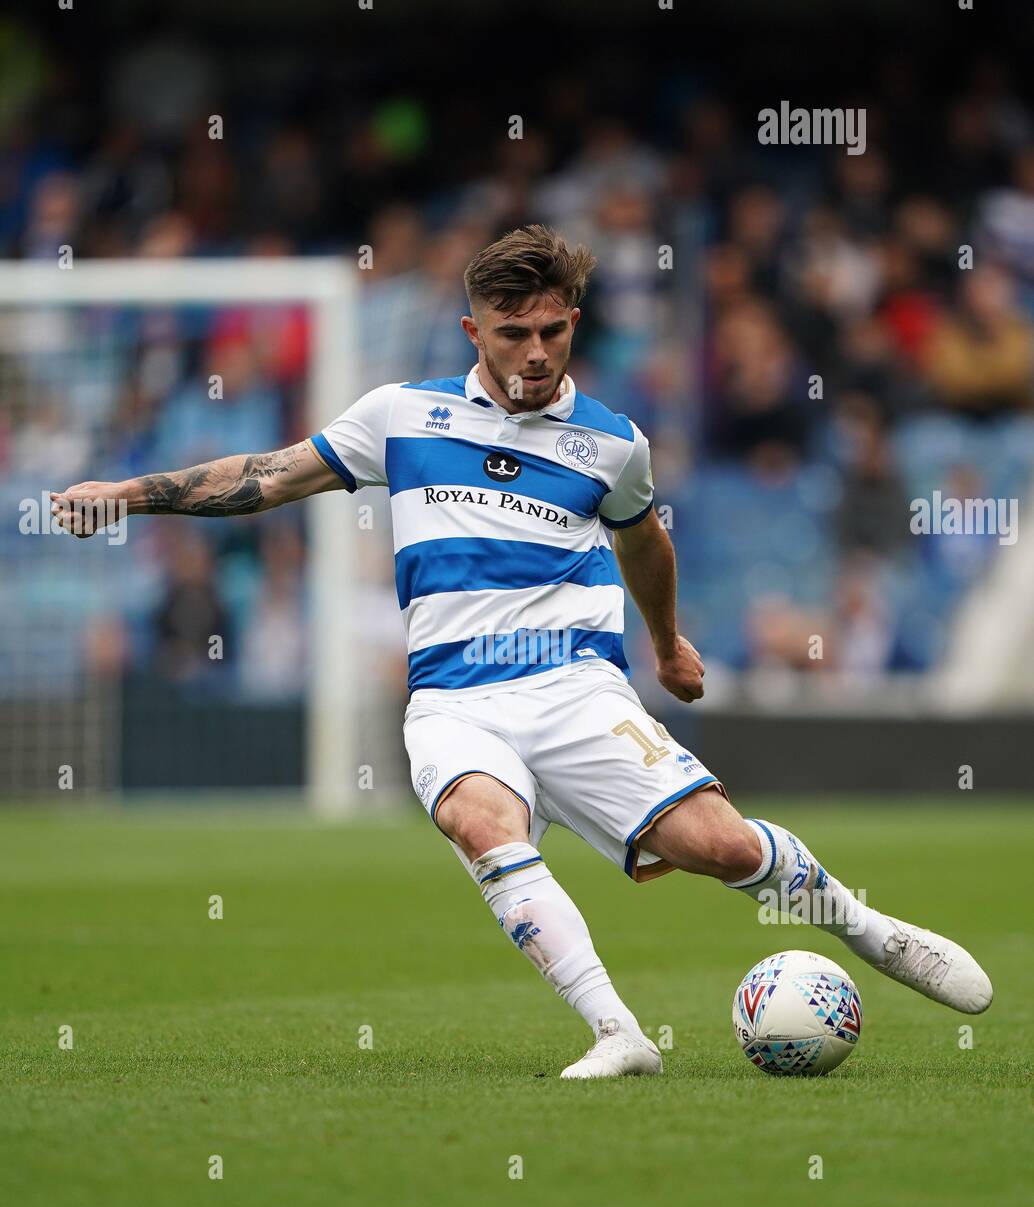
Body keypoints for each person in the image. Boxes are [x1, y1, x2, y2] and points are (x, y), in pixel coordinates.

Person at [51, 225, 992, 1079]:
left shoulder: (613, 444)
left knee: (720, 845)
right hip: (454, 700)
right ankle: (619, 1034)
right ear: (473, 331)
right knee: (481, 821)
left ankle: (873, 933)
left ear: (573, 323)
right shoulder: (401, 416)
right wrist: (128, 494)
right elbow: (265, 478)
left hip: (576, 688)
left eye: (551, 330)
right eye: (512, 333)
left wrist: (666, 646)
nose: (534, 352)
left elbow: (643, 541)